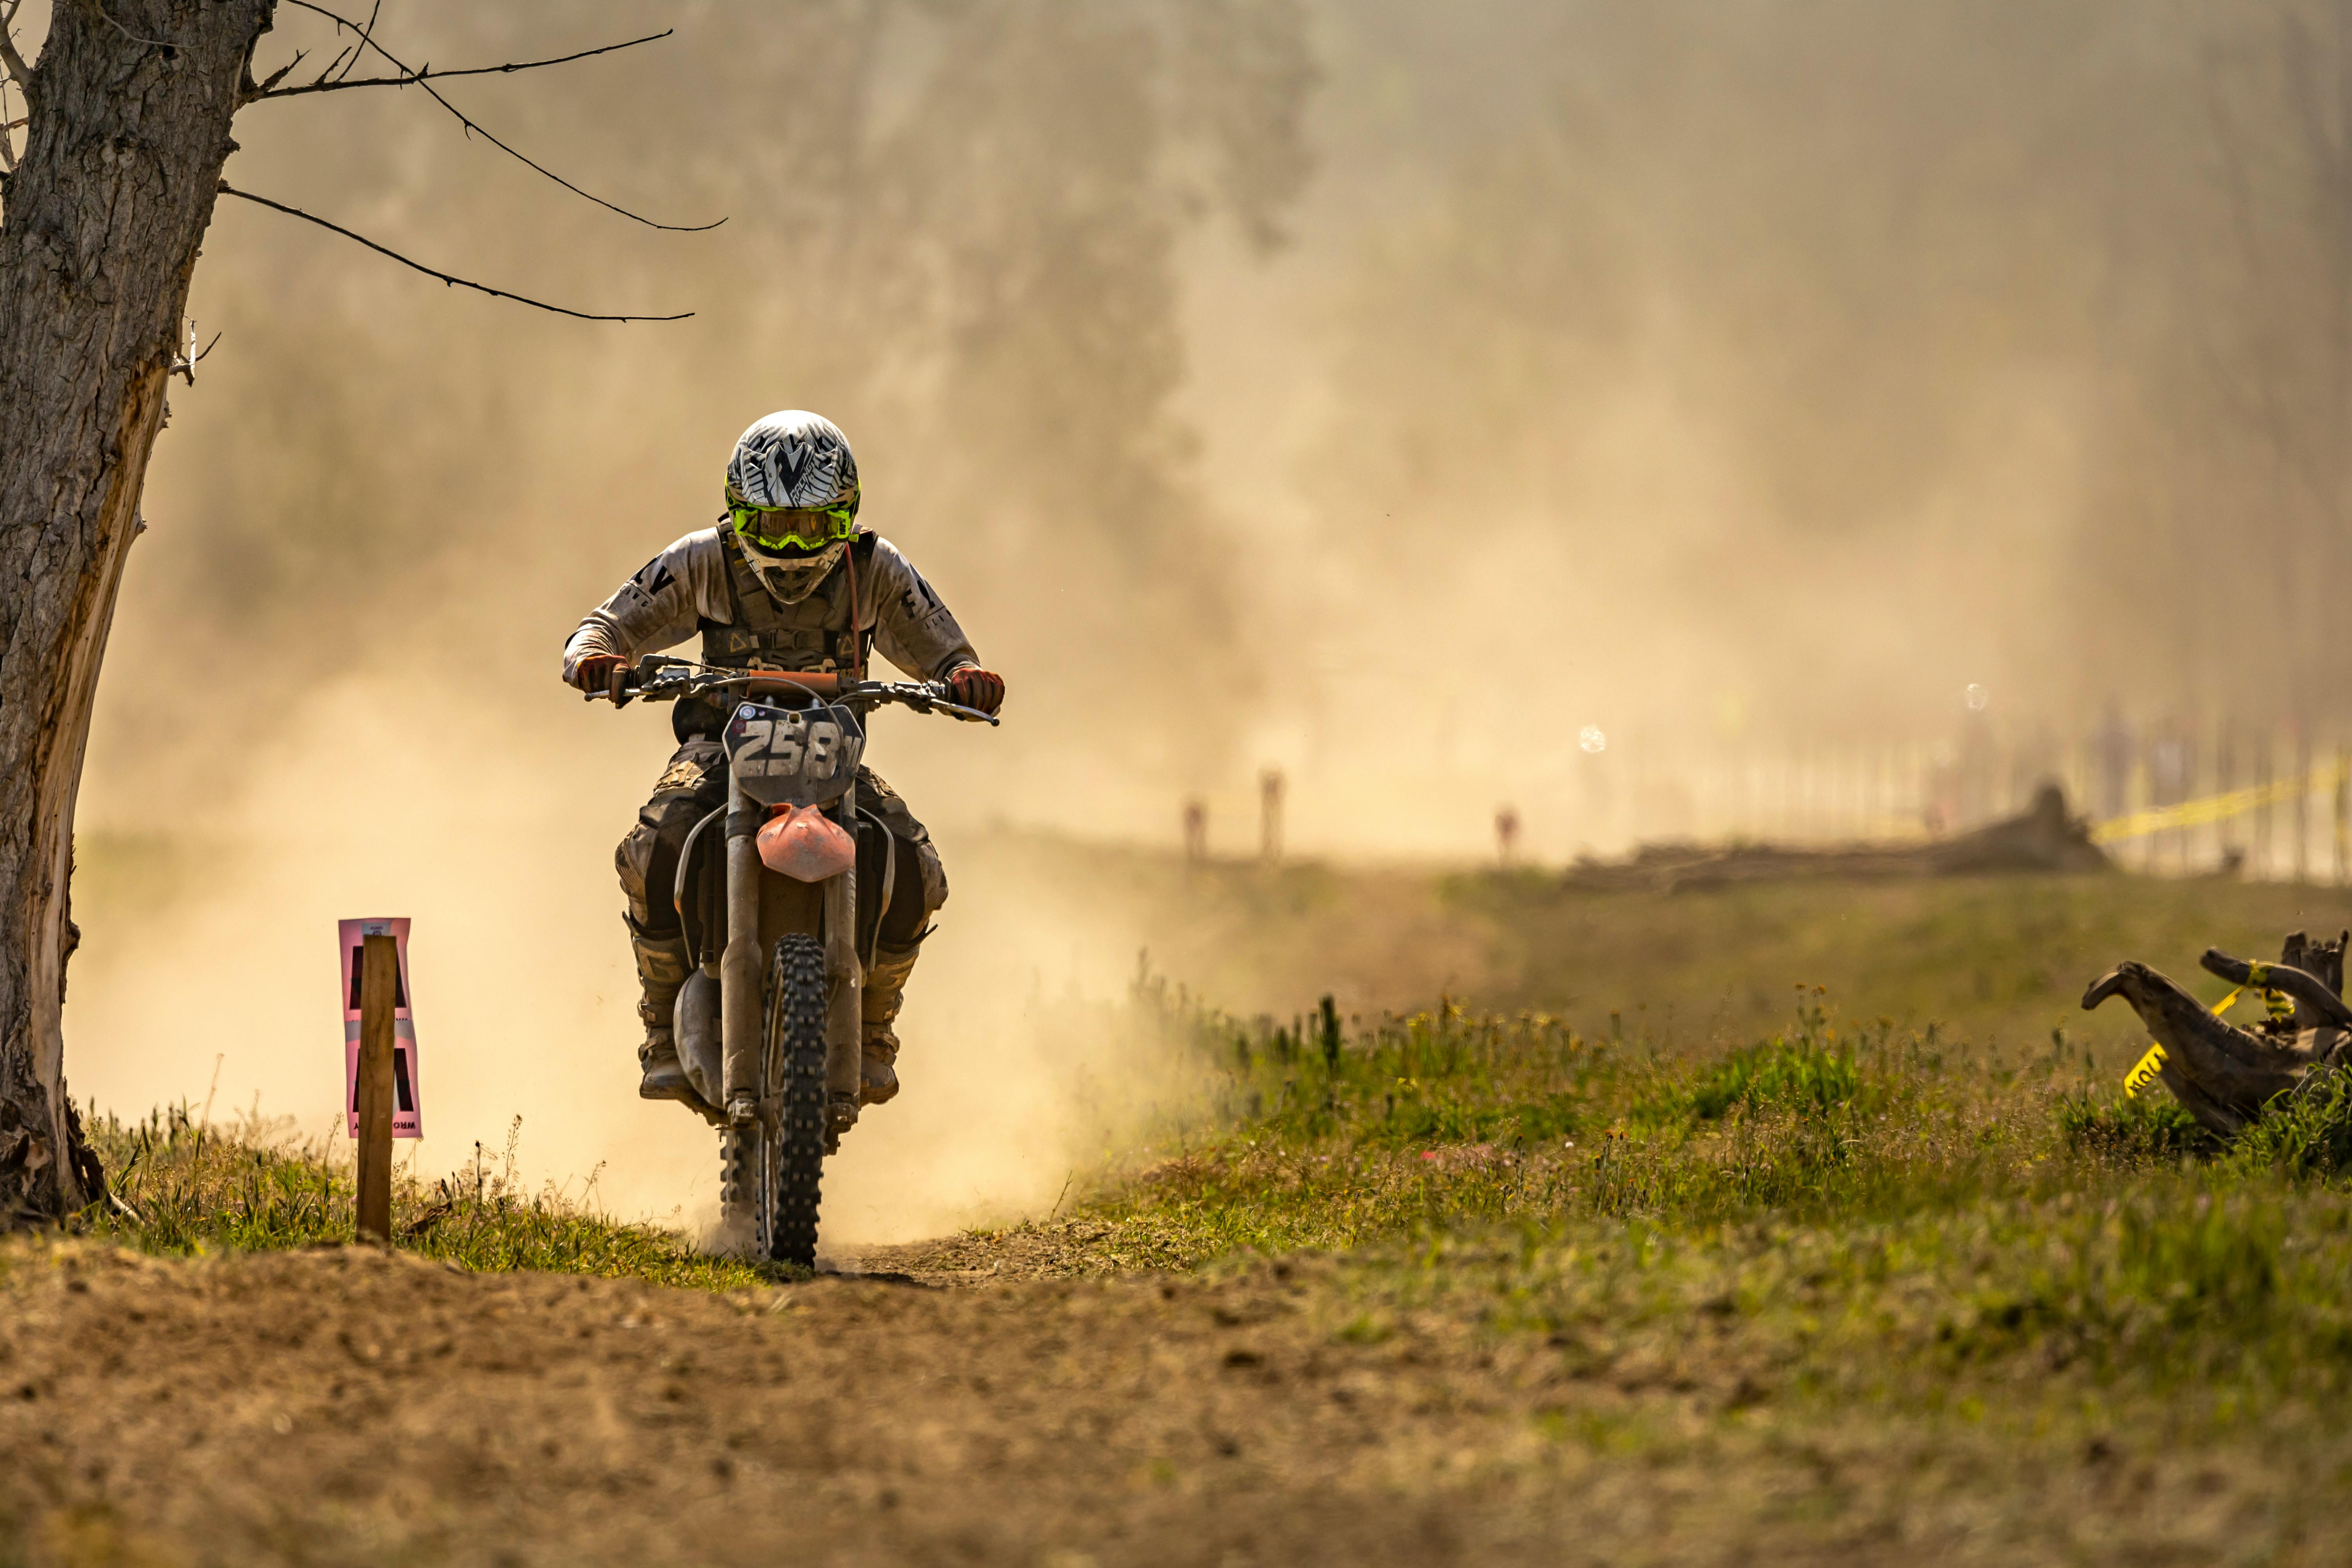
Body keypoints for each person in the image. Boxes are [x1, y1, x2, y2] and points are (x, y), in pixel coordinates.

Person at [561, 410, 1005, 1108]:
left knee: (916, 869)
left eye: (813, 527)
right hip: (719, 747)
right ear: (741, 518)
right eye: (774, 528)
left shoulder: (876, 569)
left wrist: (964, 678)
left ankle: (875, 1026)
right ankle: (659, 1021)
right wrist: (597, 657)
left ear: (846, 517)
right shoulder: (703, 558)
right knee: (654, 846)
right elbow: (607, 623)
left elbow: (948, 650)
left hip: (836, 754)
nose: (794, 547)